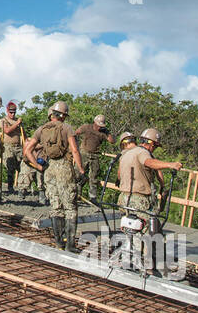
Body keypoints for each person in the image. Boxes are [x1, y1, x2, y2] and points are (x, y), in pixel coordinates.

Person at [117, 127, 181, 273]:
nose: (154, 149)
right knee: (149, 230)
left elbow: (119, 176)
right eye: (155, 146)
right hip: (139, 198)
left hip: (124, 198)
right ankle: (148, 266)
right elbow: (150, 163)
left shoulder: (127, 153)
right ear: (151, 144)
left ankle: (136, 260)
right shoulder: (142, 152)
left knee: (133, 230)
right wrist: (170, 164)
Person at [23, 102, 85, 250]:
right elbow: (75, 150)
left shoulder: (41, 129)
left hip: (49, 169)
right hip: (64, 168)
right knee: (70, 207)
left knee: (55, 206)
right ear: (63, 116)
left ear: (51, 114)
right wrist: (81, 169)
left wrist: (39, 167)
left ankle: (59, 243)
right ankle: (70, 245)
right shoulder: (67, 128)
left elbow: (27, 151)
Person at [74, 114, 113, 199]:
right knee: (78, 173)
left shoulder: (103, 132)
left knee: (94, 176)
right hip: (84, 153)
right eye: (98, 125)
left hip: (95, 155)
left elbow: (112, 141)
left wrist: (107, 132)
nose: (99, 128)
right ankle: (76, 194)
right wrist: (75, 147)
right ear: (94, 123)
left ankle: (93, 197)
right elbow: (75, 133)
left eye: (101, 126)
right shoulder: (86, 127)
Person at [0, 102, 26, 197]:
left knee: (22, 166)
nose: (12, 114)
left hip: (18, 147)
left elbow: (24, 134)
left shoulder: (18, 121)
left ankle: (22, 187)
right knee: (10, 167)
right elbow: (7, 131)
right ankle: (10, 187)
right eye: (11, 112)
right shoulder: (3, 120)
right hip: (8, 146)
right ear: (7, 111)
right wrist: (17, 124)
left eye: (14, 112)